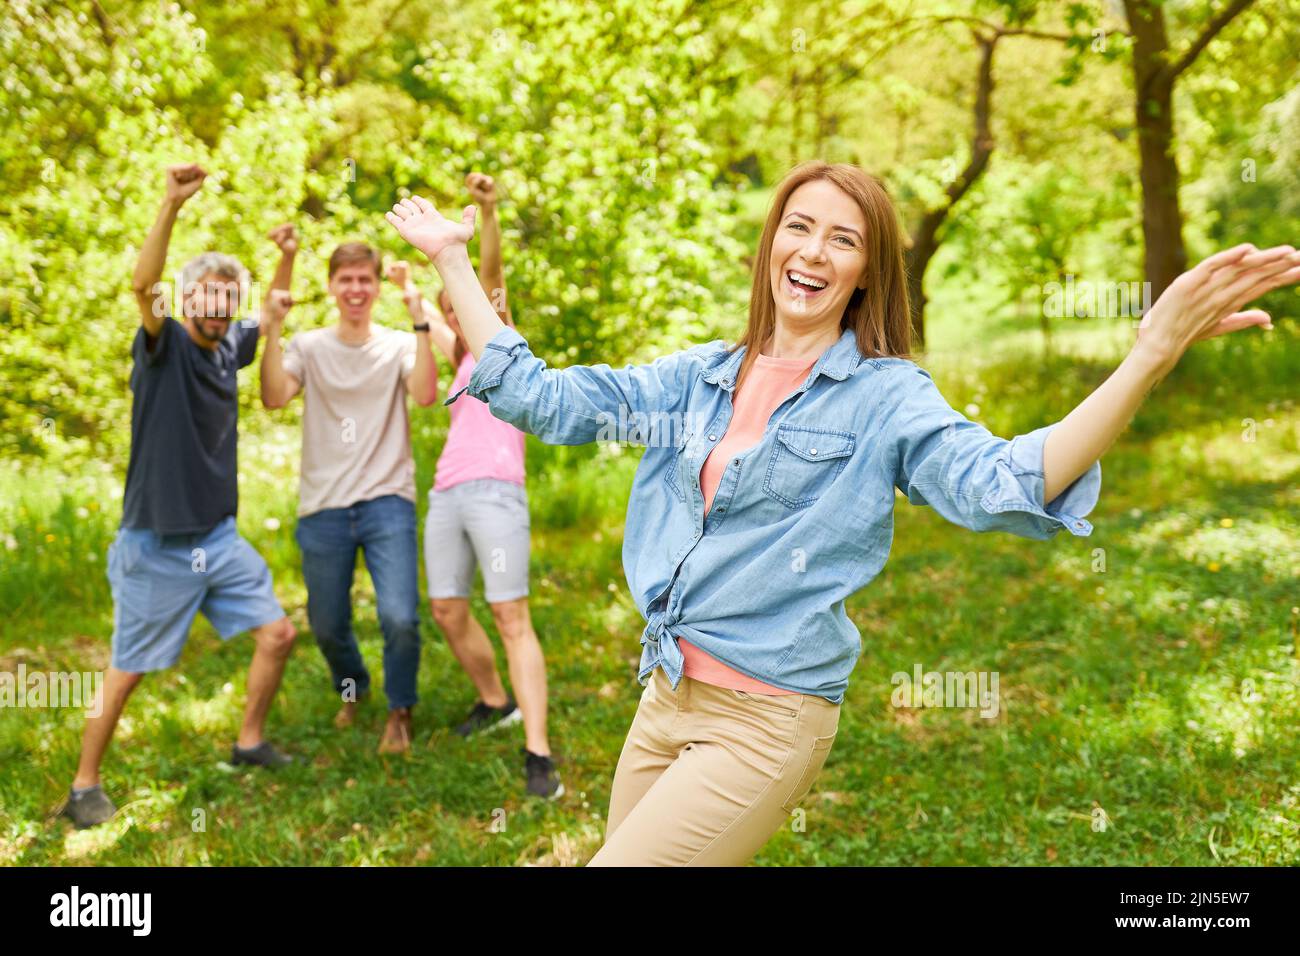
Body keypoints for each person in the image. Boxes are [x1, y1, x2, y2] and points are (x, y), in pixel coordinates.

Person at [386, 161, 1300, 865]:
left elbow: (1008, 482)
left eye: (843, 240)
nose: (813, 253)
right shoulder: (697, 376)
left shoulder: (882, 399)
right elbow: (539, 397)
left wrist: (1146, 355)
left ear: (867, 272)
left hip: (766, 720)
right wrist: (453, 259)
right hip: (664, 697)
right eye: (799, 228)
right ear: (772, 244)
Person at [63, 163, 299, 829]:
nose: (220, 307)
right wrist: (170, 204)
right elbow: (143, 285)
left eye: (231, 297)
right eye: (209, 296)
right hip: (156, 547)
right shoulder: (162, 346)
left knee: (278, 634)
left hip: (217, 540)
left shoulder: (230, 348)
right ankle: (84, 785)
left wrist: (286, 259)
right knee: (128, 670)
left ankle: (249, 742)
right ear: (188, 300)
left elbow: (272, 312)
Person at [387, 172, 561, 799]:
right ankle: (495, 701)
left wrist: (486, 213)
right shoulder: (457, 352)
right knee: (446, 609)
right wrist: (412, 293)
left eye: (474, 307)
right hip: (446, 494)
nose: (464, 311)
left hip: (496, 490)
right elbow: (431, 316)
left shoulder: (501, 352)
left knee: (510, 615)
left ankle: (538, 752)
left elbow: (487, 277)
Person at [260, 236, 439, 753]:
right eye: (347, 280)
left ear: (377, 286)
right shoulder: (310, 346)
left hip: (388, 500)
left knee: (400, 617)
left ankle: (400, 710)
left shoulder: (398, 344)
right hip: (323, 506)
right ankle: (354, 685)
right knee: (327, 623)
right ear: (332, 286)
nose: (356, 289)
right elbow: (274, 397)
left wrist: (419, 320)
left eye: (366, 279)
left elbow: (426, 394)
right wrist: (271, 328)